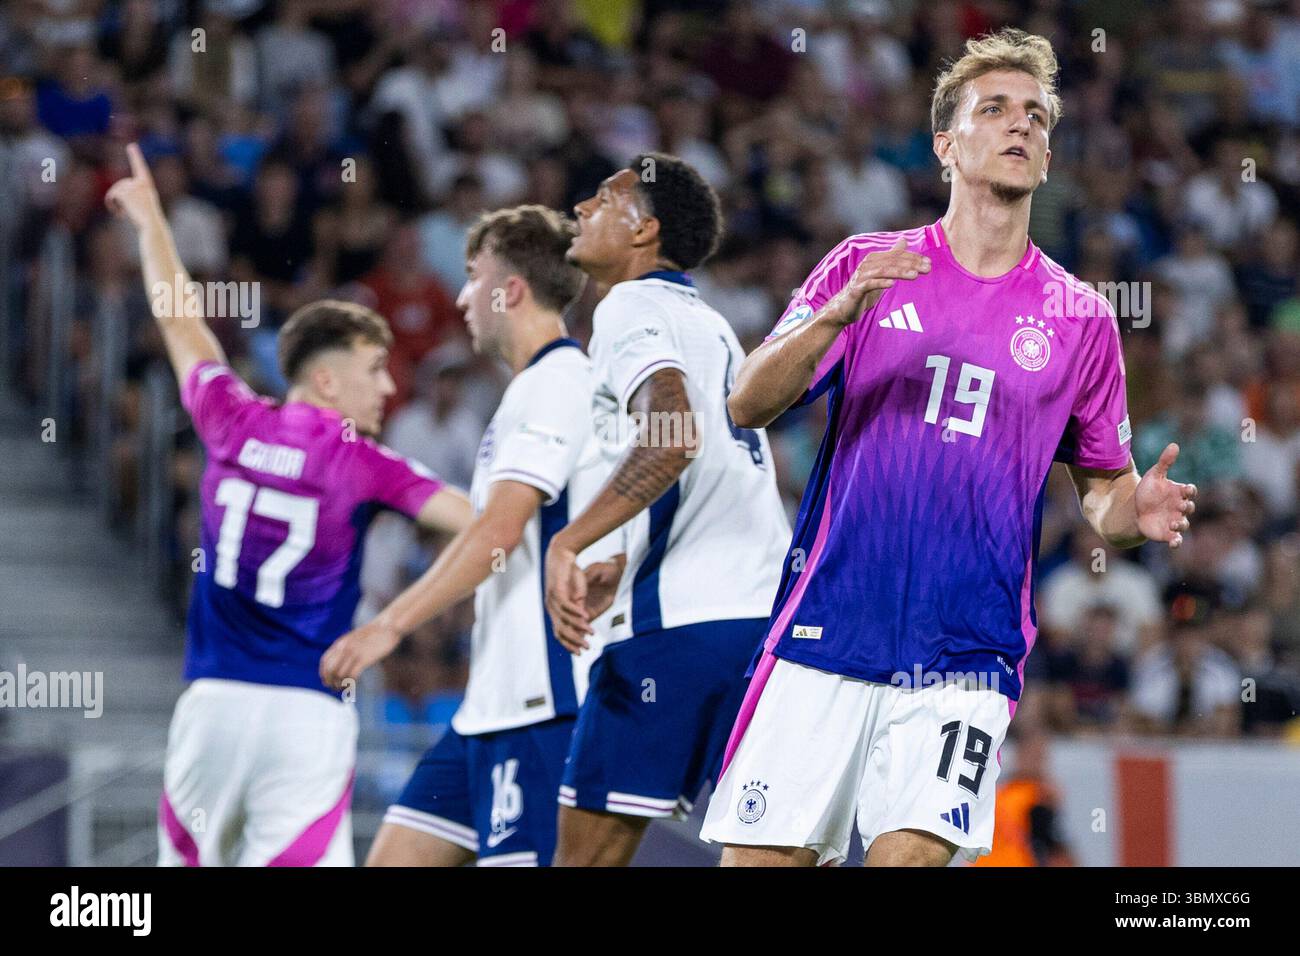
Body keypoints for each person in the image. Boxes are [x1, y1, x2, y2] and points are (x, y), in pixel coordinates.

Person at [699, 29, 1198, 868]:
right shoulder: (869, 267)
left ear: (1046, 157)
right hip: (827, 628)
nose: (1021, 126)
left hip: (967, 655)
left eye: (1037, 117)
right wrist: (835, 314)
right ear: (946, 144)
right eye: (994, 109)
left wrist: (1128, 511)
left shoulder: (1081, 318)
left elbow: (1104, 495)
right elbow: (746, 402)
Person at [105, 143, 472, 866]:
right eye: (375, 371)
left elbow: (181, 320)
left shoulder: (229, 417)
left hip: (211, 707)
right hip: (305, 711)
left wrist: (152, 224)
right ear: (328, 381)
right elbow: (483, 523)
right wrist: (397, 622)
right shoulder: (365, 462)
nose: (389, 388)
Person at [320, 205, 618, 867]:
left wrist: (389, 624)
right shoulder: (525, 393)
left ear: (509, 290)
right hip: (489, 703)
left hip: (543, 705)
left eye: (472, 275)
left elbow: (500, 532)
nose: (461, 296)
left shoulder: (557, 384)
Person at [543, 153, 792, 865]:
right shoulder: (710, 324)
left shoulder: (628, 306)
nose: (583, 208)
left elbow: (674, 438)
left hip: (674, 632)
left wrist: (570, 544)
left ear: (644, 230)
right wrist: (619, 560)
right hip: (760, 627)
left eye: (604, 198)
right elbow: (710, 473)